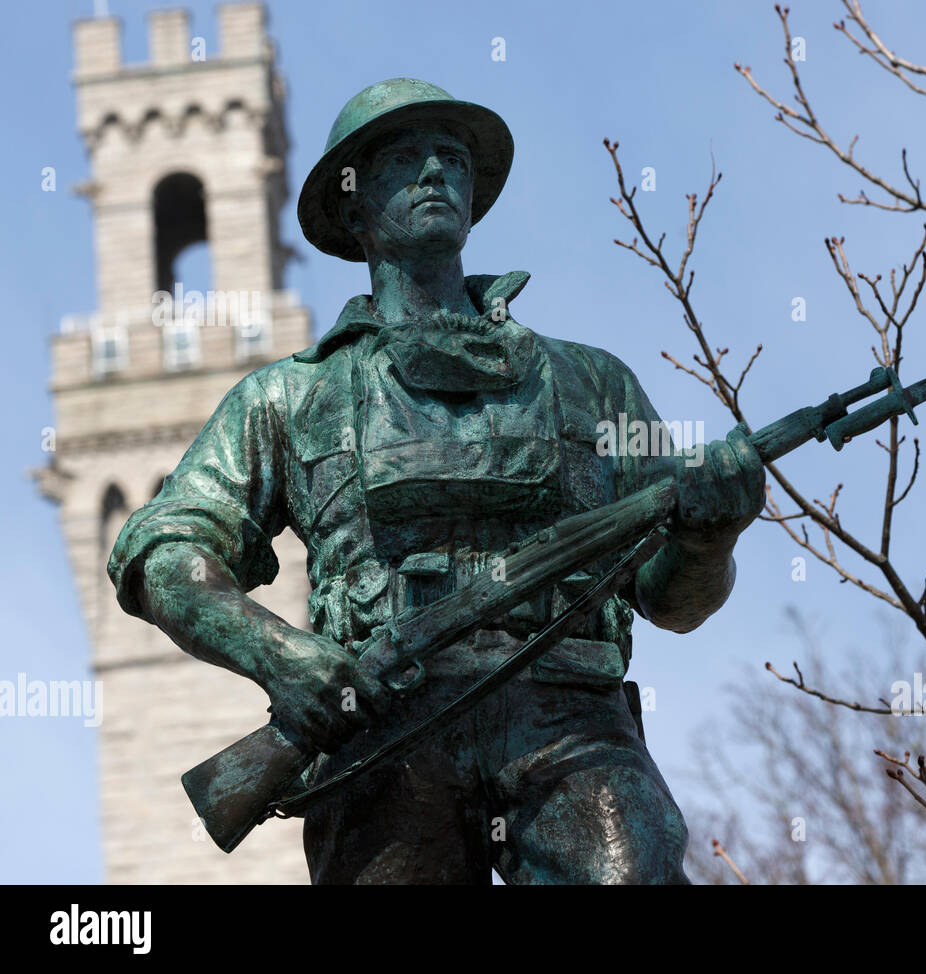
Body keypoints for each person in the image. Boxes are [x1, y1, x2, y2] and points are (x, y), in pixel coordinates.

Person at [108, 78, 765, 884]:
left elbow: (674, 601)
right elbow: (165, 554)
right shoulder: (290, 396)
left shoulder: (593, 384)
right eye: (403, 159)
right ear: (353, 207)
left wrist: (713, 533)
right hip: (383, 729)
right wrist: (281, 656)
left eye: (451, 158)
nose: (433, 174)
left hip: (569, 715)